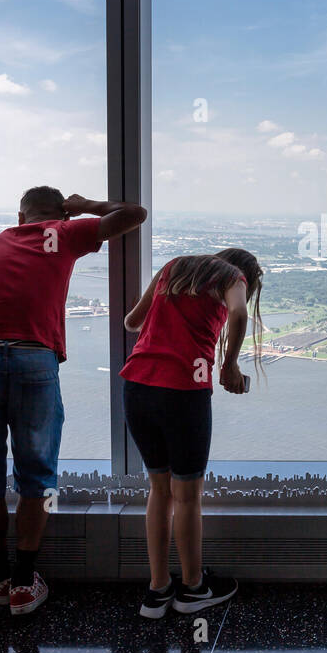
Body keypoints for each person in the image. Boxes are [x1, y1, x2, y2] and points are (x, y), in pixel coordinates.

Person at [0, 187, 145, 616]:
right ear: (60, 213)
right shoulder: (64, 232)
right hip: (33, 354)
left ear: (20, 215)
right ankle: (23, 583)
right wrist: (85, 208)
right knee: (36, 470)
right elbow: (135, 214)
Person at [119, 248, 264, 618]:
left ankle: (157, 590)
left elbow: (131, 322)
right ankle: (193, 588)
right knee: (187, 496)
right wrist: (229, 365)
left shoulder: (174, 268)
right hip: (183, 391)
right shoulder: (233, 277)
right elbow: (238, 312)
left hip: (137, 386)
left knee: (159, 488)